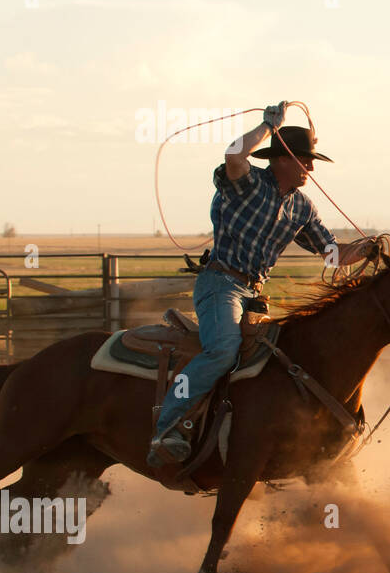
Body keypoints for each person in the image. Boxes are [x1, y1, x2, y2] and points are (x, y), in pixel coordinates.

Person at [147, 102, 377, 468]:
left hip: (253, 295)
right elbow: (234, 155)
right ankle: (168, 429)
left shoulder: (302, 207)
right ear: (284, 159)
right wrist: (268, 127)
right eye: (306, 160)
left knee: (278, 363)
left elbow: (331, 254)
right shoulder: (248, 183)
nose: (312, 168)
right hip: (220, 284)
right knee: (222, 351)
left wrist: (366, 249)